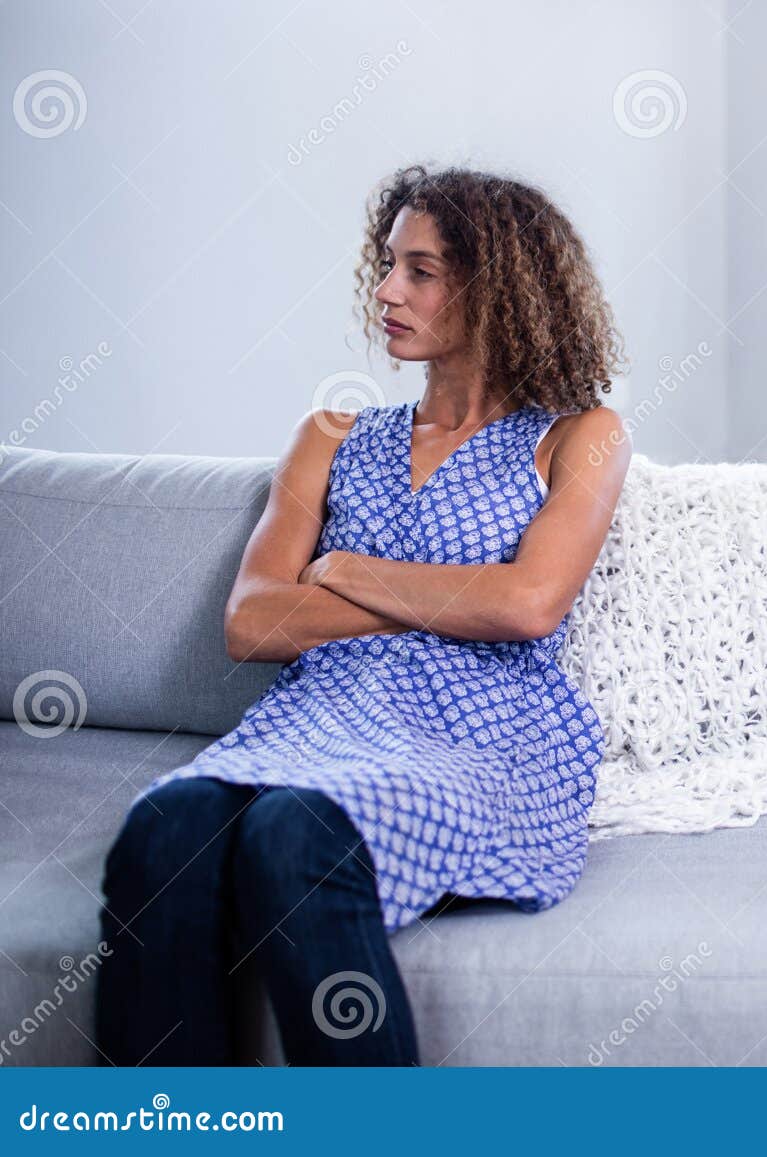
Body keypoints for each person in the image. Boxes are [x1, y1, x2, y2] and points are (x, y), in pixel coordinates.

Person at [94, 164, 631, 1066]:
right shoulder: (332, 437)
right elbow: (253, 621)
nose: (386, 291)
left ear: (497, 287)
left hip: (480, 732)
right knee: (164, 830)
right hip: (315, 721)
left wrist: (344, 571)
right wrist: (444, 601)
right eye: (389, 265)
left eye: (420, 271)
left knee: (293, 834)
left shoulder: (580, 434)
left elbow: (530, 604)